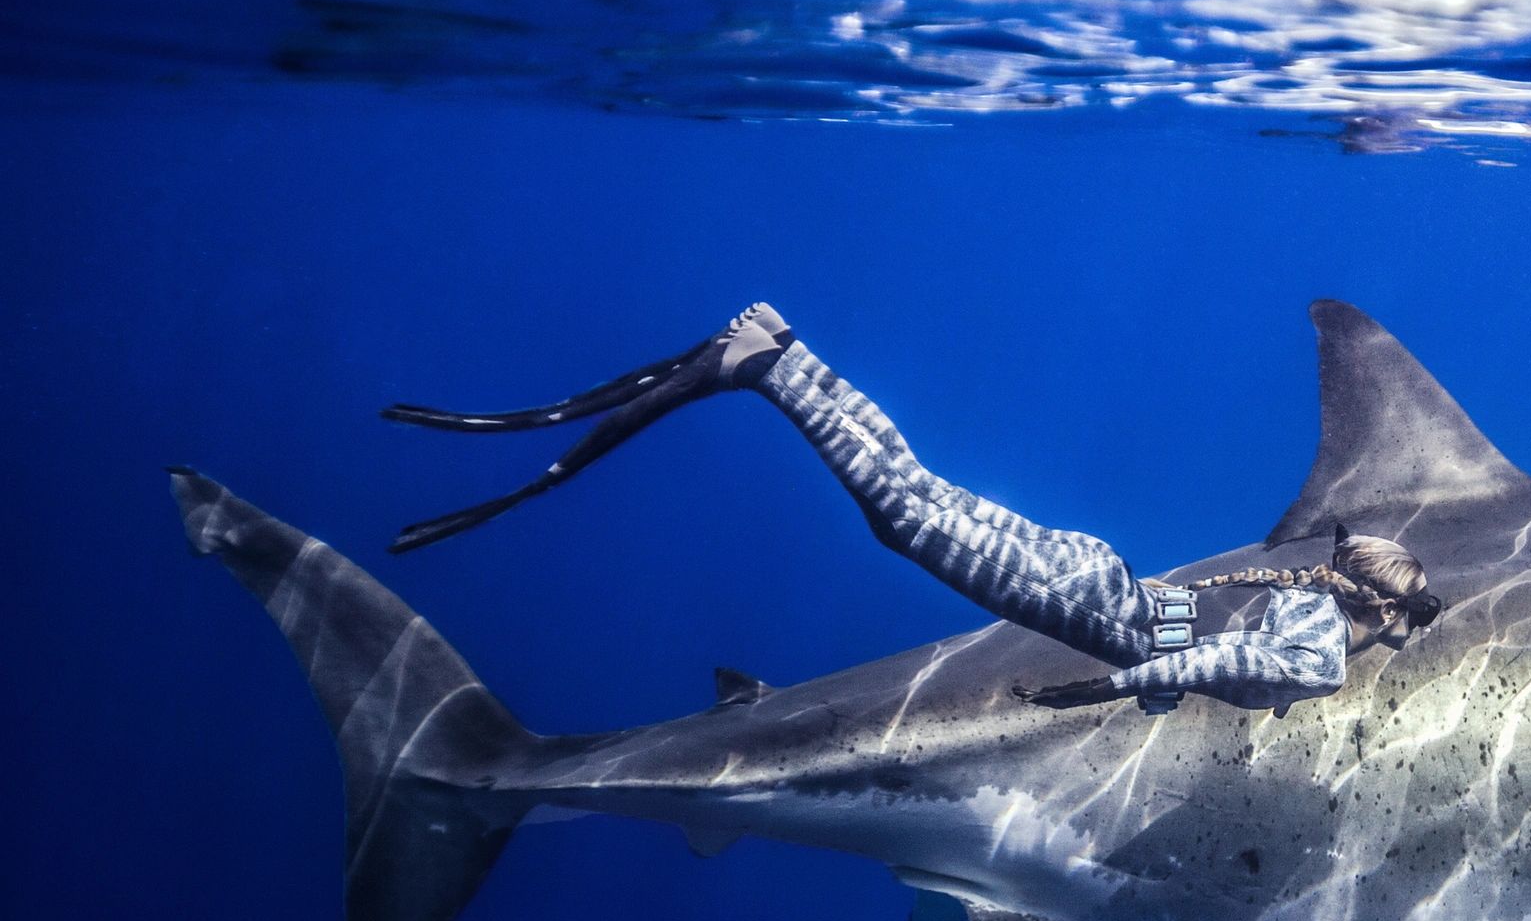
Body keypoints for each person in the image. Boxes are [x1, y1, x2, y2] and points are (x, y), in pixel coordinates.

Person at [382, 304, 1442, 716]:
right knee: (908, 517)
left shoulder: (1309, 604)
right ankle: (773, 367)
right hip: (1099, 611)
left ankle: (782, 355)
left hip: (1107, 575)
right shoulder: (1323, 655)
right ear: (1382, 613)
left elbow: (1221, 625)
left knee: (919, 496)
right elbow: (1208, 661)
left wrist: (1159, 670)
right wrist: (1104, 690)